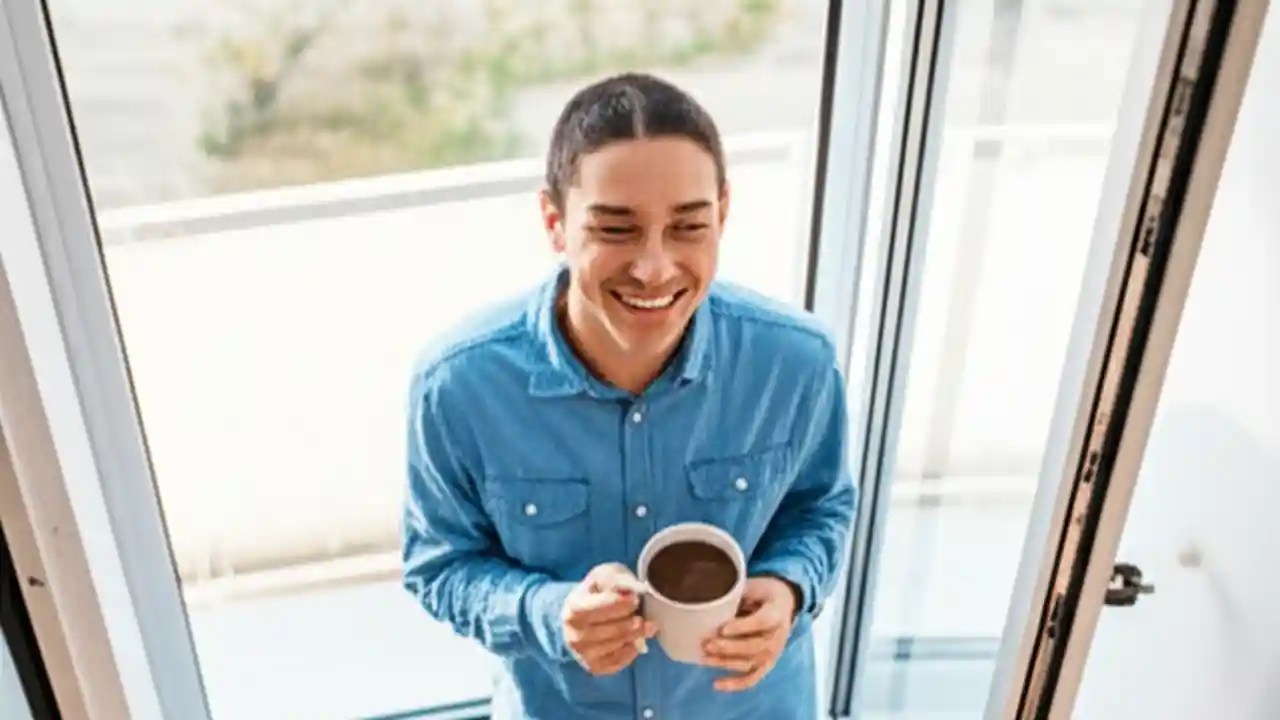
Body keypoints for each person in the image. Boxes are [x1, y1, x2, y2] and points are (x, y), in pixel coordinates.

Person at [402, 73, 856, 719]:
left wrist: (789, 586)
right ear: (555, 223)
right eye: (617, 230)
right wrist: (549, 613)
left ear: (723, 213)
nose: (654, 268)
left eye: (688, 226)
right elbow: (440, 566)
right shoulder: (458, 385)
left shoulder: (797, 361)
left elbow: (821, 509)